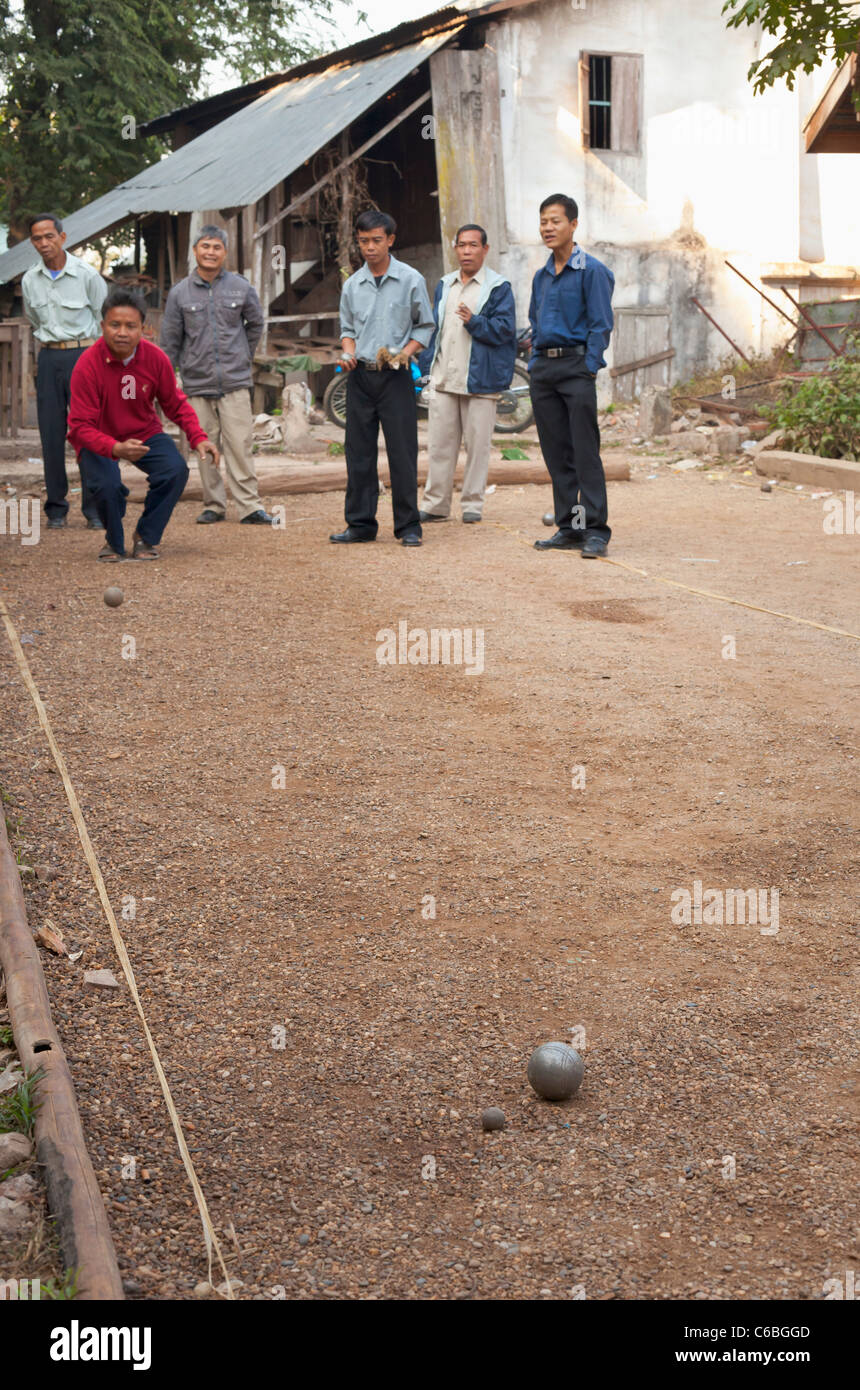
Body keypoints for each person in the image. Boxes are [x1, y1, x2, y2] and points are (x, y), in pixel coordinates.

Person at [67, 289, 218, 561]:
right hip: (100, 435)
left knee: (175, 470)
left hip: (143, 431)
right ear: (103, 326)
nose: (122, 332)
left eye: (130, 326)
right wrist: (114, 447)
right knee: (107, 485)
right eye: (115, 325)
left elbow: (175, 403)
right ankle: (113, 543)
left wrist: (198, 437)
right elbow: (79, 426)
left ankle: (145, 537)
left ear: (143, 329)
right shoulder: (86, 365)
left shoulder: (156, 358)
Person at [160, 225, 275, 527]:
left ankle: (250, 506)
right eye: (205, 246)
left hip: (235, 383)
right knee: (204, 445)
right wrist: (168, 378)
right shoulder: (179, 293)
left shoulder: (240, 286)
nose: (210, 252)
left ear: (224, 252)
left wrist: (242, 357)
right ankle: (213, 505)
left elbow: (255, 324)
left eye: (216, 247)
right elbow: (170, 341)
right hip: (196, 385)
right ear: (195, 251)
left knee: (240, 444)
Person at [332, 210, 435, 547]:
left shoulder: (410, 279)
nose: (370, 247)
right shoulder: (352, 285)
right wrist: (348, 353)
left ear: (391, 240)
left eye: (377, 240)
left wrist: (407, 352)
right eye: (364, 241)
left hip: (396, 376)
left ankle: (408, 526)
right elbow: (348, 330)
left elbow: (425, 325)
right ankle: (360, 524)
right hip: (361, 377)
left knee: (402, 452)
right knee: (358, 452)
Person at [529, 194, 614, 558]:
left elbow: (601, 324)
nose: (548, 228)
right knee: (556, 453)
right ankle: (569, 527)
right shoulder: (541, 276)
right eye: (543, 221)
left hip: (576, 369)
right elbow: (535, 321)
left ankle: (595, 530)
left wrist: (589, 366)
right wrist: (535, 363)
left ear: (573, 225)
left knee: (584, 452)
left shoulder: (592, 271)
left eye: (555, 221)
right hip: (544, 371)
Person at [418, 224, 516, 525]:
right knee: (439, 446)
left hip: (481, 381)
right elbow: (434, 329)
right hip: (444, 378)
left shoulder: (498, 287)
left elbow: (504, 331)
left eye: (473, 245)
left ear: (485, 249)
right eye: (462, 245)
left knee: (478, 448)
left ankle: (472, 505)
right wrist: (425, 371)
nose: (467, 251)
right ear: (455, 249)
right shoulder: (445, 285)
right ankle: (435, 505)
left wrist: (475, 322)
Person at [21, 213, 106, 530]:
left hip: (85, 357)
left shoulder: (86, 275)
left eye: (49, 236)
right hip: (49, 360)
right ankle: (56, 508)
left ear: (63, 237)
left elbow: (102, 317)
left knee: (88, 434)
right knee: (51, 436)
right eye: (37, 238)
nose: (44, 243)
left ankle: (94, 508)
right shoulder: (30, 279)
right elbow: (34, 319)